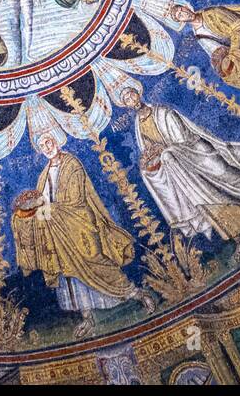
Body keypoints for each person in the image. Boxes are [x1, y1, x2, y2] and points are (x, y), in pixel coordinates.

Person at [11, 132, 153, 339]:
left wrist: (45, 208)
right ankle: (87, 317)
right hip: (57, 229)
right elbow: (42, 200)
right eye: (42, 145)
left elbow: (75, 200)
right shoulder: (44, 173)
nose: (47, 147)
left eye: (49, 141)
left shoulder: (72, 164)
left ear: (57, 141)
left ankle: (137, 294)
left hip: (79, 222)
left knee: (95, 260)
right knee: (69, 274)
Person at [119, 87, 240, 262]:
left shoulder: (163, 112)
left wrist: (164, 151)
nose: (131, 99)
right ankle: (239, 240)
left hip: (196, 154)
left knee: (229, 175)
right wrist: (151, 163)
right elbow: (149, 151)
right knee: (204, 203)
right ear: (125, 105)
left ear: (138, 93)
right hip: (180, 170)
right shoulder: (138, 127)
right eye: (126, 99)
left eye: (131, 94)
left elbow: (182, 137)